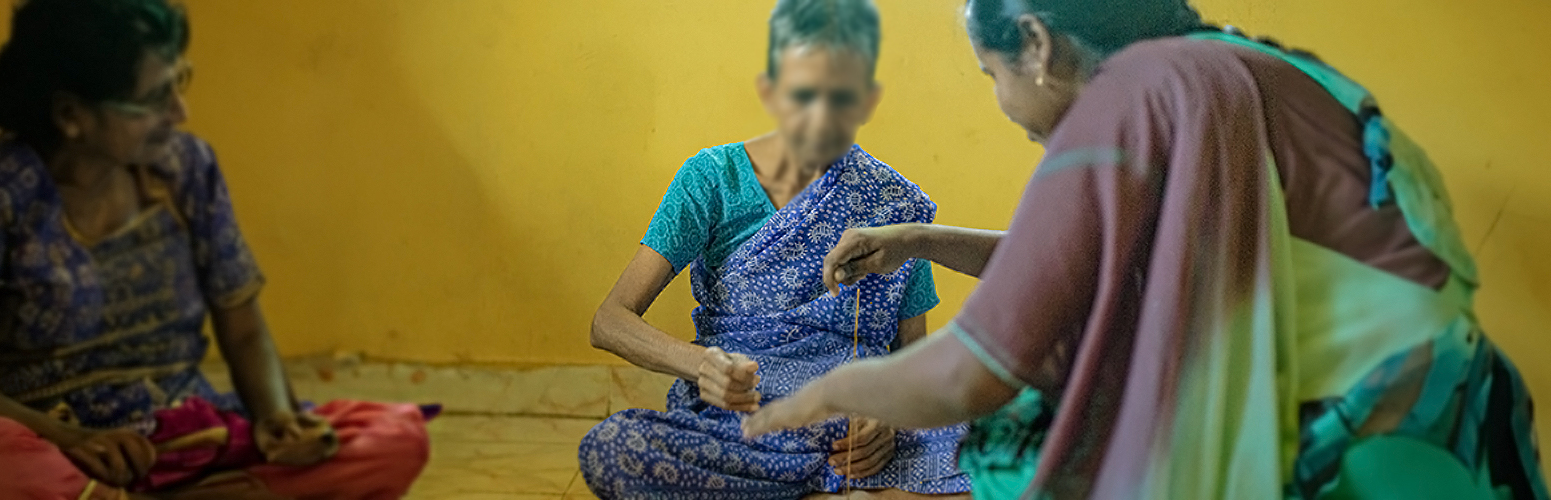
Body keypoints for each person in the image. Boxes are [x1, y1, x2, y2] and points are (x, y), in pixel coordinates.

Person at [744, 0, 1551, 499]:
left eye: (990, 71)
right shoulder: (1251, 65)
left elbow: (967, 375)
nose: (998, 99)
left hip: (1365, 445)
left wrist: (814, 397)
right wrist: (920, 241)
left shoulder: (1131, 97)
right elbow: (1084, 260)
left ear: (1037, 41)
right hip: (1460, 425)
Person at [0, 1, 432, 498]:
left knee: (394, 437)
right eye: (157, 97)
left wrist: (276, 418)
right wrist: (69, 438)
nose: (181, 113)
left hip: (187, 435)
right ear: (72, 115)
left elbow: (241, 324)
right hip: (62, 446)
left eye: (181, 82)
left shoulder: (187, 169)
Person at [577, 0, 971, 498]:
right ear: (771, 88)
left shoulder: (894, 206)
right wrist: (701, 366)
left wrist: (891, 417)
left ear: (867, 97)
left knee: (1017, 449)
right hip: (748, 424)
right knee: (616, 448)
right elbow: (610, 321)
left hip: (857, 431)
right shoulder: (712, 179)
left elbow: (912, 355)